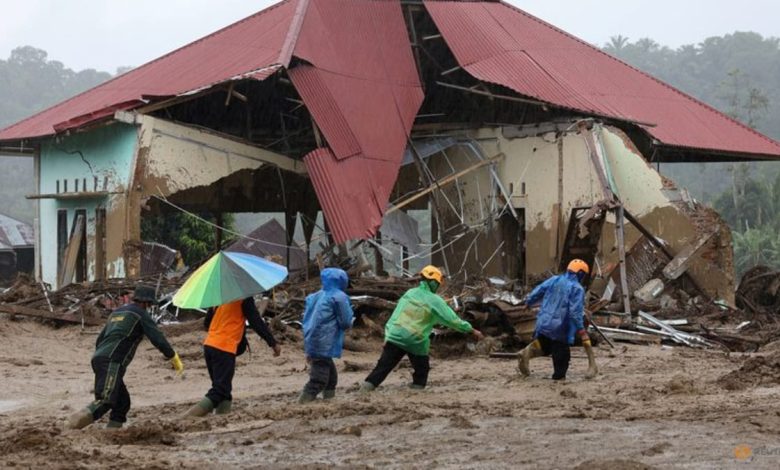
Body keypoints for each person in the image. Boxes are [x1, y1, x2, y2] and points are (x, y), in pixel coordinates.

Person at [67, 285, 184, 429]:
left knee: (122, 402)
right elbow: (157, 338)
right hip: (112, 361)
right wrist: (173, 356)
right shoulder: (140, 314)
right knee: (106, 400)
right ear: (147, 302)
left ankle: (112, 432)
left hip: (99, 358)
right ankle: (72, 425)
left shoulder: (117, 312)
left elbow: (100, 338)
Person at [360, 265, 484, 392]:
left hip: (395, 335)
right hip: (416, 339)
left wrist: (388, 335)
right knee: (422, 369)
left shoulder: (410, 293)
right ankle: (417, 390)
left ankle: (365, 389)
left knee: (382, 367)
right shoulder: (435, 300)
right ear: (433, 283)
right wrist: (472, 330)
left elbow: (395, 316)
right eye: (438, 283)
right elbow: (452, 320)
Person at [185, 296, 281, 416]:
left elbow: (207, 323)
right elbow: (255, 321)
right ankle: (185, 418)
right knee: (219, 391)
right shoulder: (243, 297)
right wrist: (272, 343)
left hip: (209, 345)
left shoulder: (219, 298)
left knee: (224, 389)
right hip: (224, 348)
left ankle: (222, 419)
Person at [517, 259, 598, 381]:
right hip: (560, 326)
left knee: (545, 346)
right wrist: (581, 330)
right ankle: (558, 381)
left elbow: (539, 290)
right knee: (562, 357)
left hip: (543, 322)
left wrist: (529, 302)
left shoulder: (555, 279)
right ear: (580, 273)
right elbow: (575, 313)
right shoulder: (577, 288)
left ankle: (527, 351)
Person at [298, 267, 354, 403]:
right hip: (325, 340)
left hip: (311, 337)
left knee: (331, 377)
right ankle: (303, 401)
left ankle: (329, 401)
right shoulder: (339, 297)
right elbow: (345, 321)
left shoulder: (315, 296)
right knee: (320, 378)